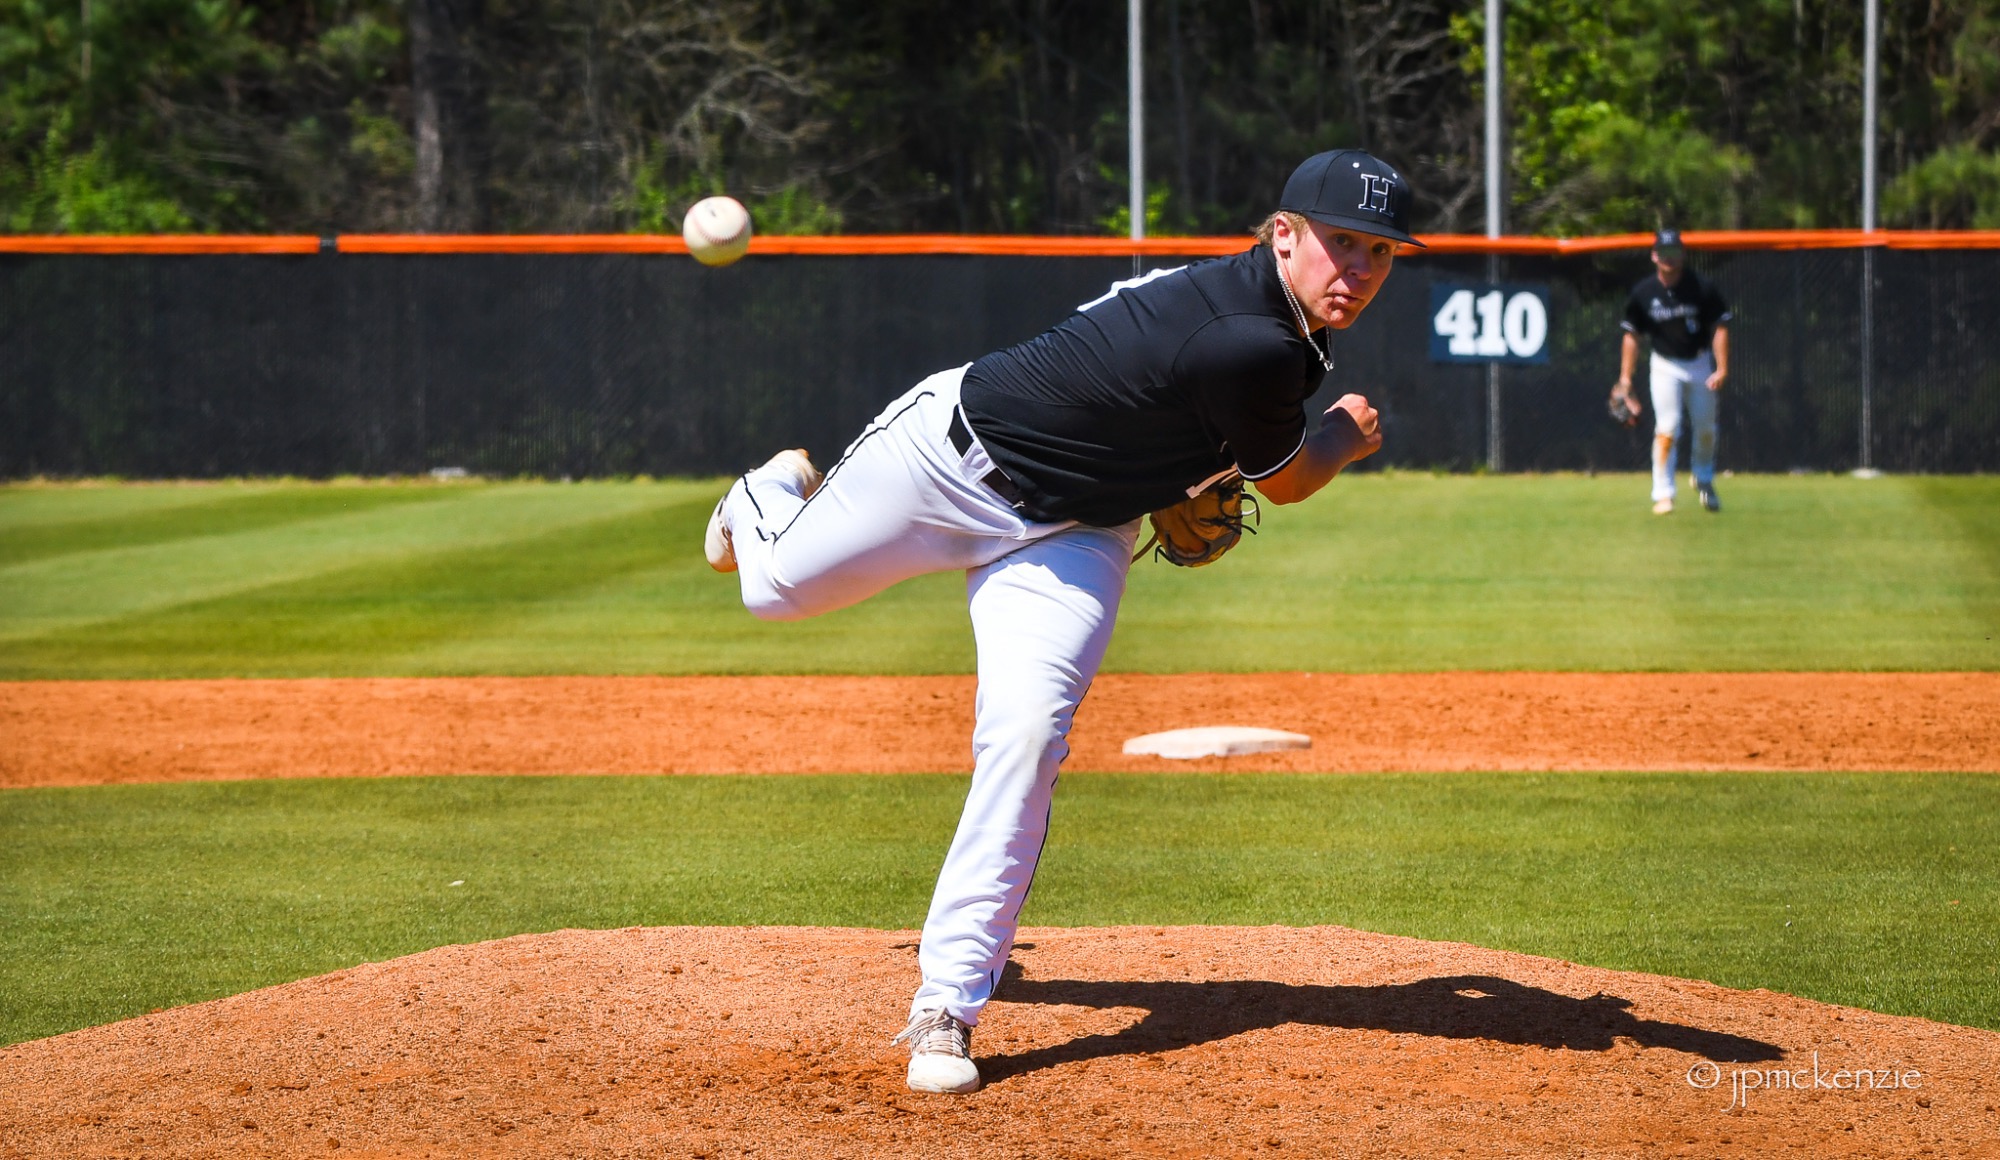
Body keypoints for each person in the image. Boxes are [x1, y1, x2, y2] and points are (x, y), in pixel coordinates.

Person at [702, 149, 1416, 1094]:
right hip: (948, 464)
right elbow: (1283, 480)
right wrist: (1343, 434)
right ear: (1283, 236)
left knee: (1028, 733)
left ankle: (946, 1003)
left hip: (1075, 532)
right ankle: (771, 492)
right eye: (1341, 243)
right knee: (770, 591)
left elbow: (1149, 386)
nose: (1359, 269)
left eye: (1380, 251)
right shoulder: (1260, 339)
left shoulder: (1269, 310)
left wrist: (1170, 471)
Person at [1609, 228, 1733, 513]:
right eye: (1663, 253)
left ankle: (1703, 479)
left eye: (1674, 252)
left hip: (1700, 363)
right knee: (1668, 427)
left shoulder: (1702, 287)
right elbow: (1631, 335)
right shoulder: (1644, 293)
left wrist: (1722, 367)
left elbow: (1720, 326)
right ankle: (1663, 493)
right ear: (1654, 256)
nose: (1669, 258)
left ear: (1683, 255)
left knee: (1705, 428)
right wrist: (1625, 378)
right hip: (1665, 365)